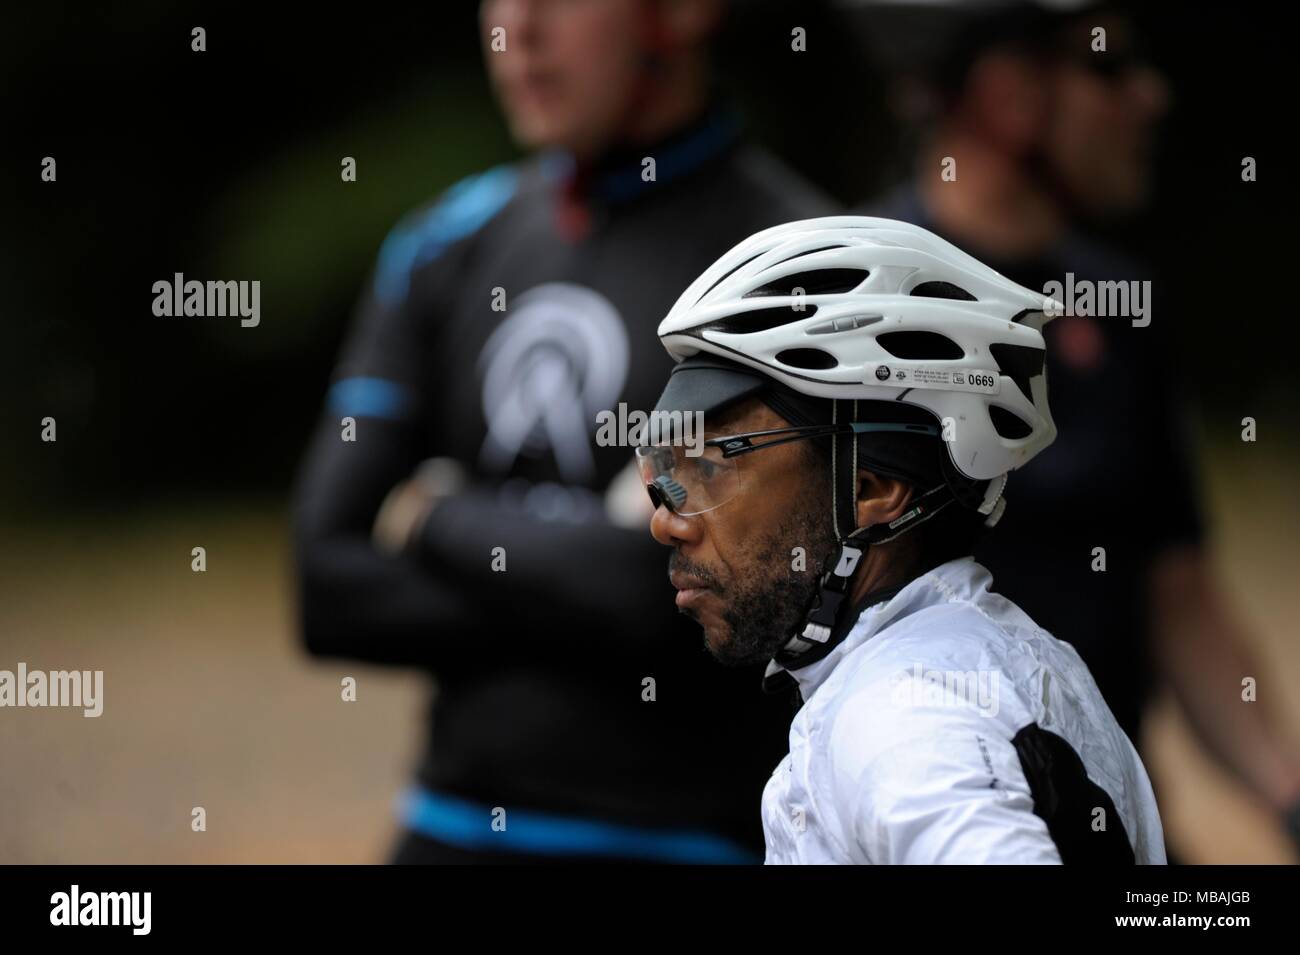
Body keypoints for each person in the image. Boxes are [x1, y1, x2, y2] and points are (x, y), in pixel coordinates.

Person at [292, 0, 835, 863]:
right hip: (447, 831)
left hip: (690, 842)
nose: (519, 29)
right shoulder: (444, 244)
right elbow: (325, 587)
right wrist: (594, 563)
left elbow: (679, 611)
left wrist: (437, 518)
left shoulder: (797, 261)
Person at [848, 0, 1300, 855]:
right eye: (1108, 65)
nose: (1150, 96)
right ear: (1011, 93)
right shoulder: (857, 297)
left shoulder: (1118, 307)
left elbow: (1179, 598)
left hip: (1100, 825)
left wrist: (1288, 794)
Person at [638, 216, 1166, 863]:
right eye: (663, 464)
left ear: (871, 486)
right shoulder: (980, 661)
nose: (667, 518)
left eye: (714, 461)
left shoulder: (903, 715)